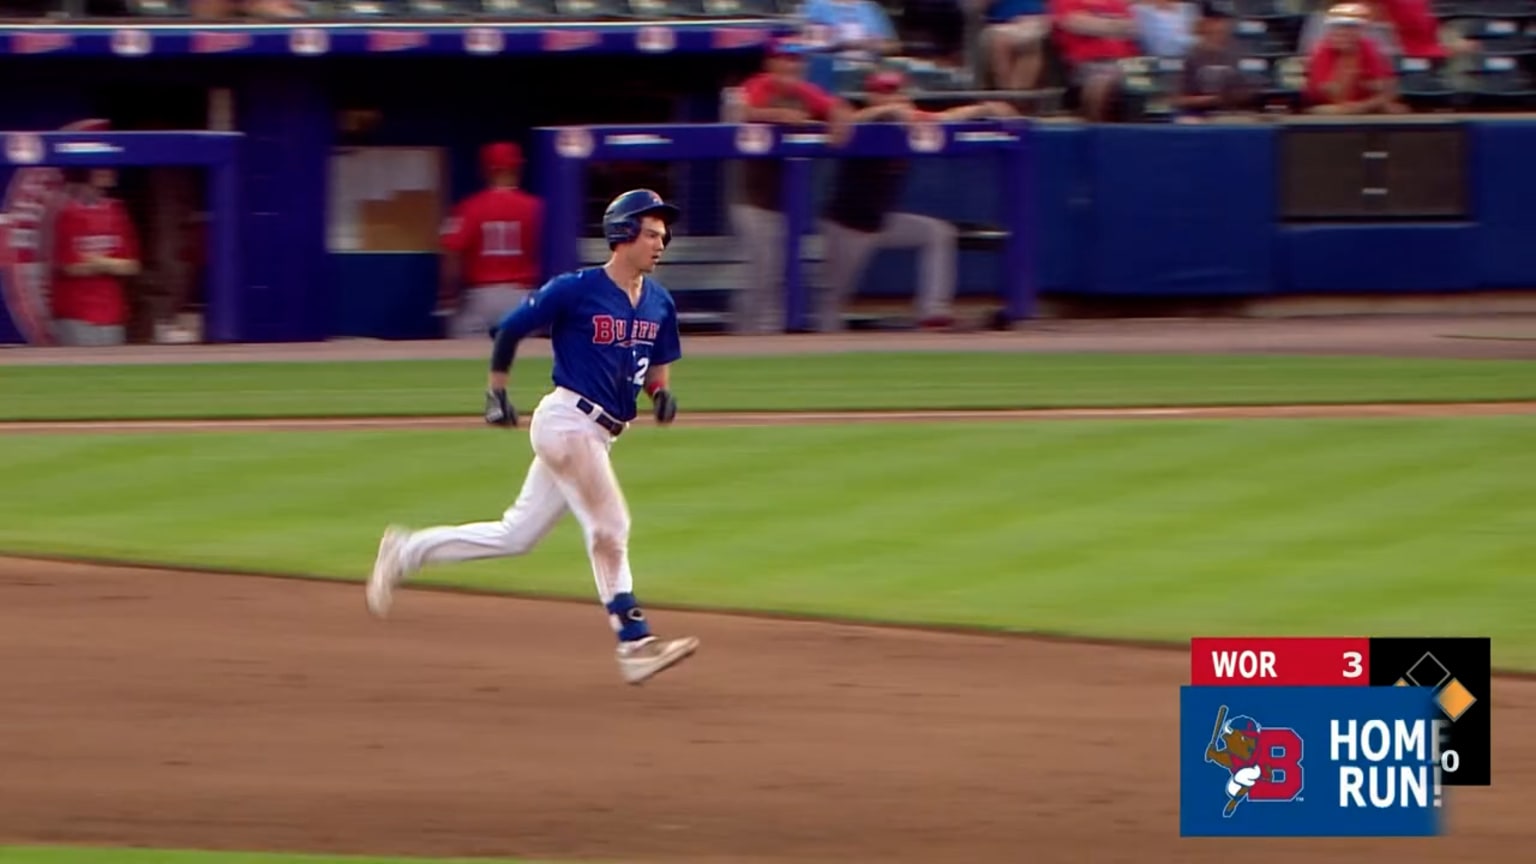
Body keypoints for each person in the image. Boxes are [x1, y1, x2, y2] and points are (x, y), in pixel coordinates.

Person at [367, 189, 698, 687]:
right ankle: (635, 642)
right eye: (651, 233)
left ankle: (407, 550)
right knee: (610, 527)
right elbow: (510, 328)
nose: (661, 242)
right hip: (567, 424)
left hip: (600, 434)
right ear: (622, 235)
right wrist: (496, 391)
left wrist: (660, 393)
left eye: (663, 234)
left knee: (515, 535)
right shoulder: (576, 289)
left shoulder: (658, 300)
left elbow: (657, 357)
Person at [817, 69, 1017, 331]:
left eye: (895, 91)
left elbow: (943, 118)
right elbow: (851, 121)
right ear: (870, 95)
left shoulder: (909, 120)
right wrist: (886, 110)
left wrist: (984, 107)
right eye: (883, 91)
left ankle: (932, 312)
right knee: (829, 305)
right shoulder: (860, 120)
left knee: (938, 232)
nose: (891, 96)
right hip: (848, 226)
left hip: (881, 222)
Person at [729, 37, 853, 334]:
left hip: (783, 204)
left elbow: (838, 106)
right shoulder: (758, 85)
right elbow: (742, 111)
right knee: (762, 273)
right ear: (770, 63)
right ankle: (744, 338)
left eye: (797, 60)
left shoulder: (803, 91)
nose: (792, 65)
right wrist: (779, 116)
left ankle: (765, 338)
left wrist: (838, 121)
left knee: (775, 275)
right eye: (785, 59)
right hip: (751, 200)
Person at [439, 142, 543, 339]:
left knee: (464, 360)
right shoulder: (536, 207)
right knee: (524, 362)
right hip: (523, 296)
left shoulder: (469, 207)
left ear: (486, 170)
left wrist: (448, 295)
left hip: (480, 297)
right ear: (516, 168)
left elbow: (451, 252)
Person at [49, 167, 141, 347]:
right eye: (100, 172)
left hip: (112, 313)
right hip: (76, 314)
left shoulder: (116, 211)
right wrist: (112, 264)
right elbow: (71, 267)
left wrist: (99, 262)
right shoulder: (67, 214)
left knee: (113, 371)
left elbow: (132, 266)